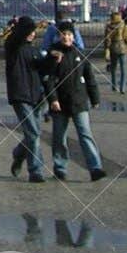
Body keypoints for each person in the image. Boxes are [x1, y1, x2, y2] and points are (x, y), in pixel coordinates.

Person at [44, 21, 105, 182]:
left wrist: (95, 98)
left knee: (85, 134)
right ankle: (60, 168)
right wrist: (53, 99)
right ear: (59, 36)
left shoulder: (80, 53)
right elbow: (49, 79)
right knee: (59, 137)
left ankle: (95, 168)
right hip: (60, 101)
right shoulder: (53, 54)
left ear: (74, 36)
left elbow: (90, 77)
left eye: (69, 34)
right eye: (63, 34)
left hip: (79, 100)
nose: (66, 37)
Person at [4, 15, 48, 183]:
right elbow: (16, 37)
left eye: (34, 32)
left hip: (36, 95)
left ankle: (19, 153)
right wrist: (33, 25)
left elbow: (42, 69)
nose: (32, 34)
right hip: (20, 95)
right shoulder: (12, 47)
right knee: (34, 133)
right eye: (30, 31)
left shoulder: (34, 49)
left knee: (32, 133)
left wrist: (52, 59)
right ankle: (36, 170)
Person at [103, 10, 127, 93]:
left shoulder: (109, 27)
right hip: (123, 47)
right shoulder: (124, 26)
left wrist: (106, 49)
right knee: (124, 69)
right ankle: (122, 88)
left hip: (113, 48)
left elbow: (107, 40)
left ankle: (114, 86)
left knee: (113, 68)